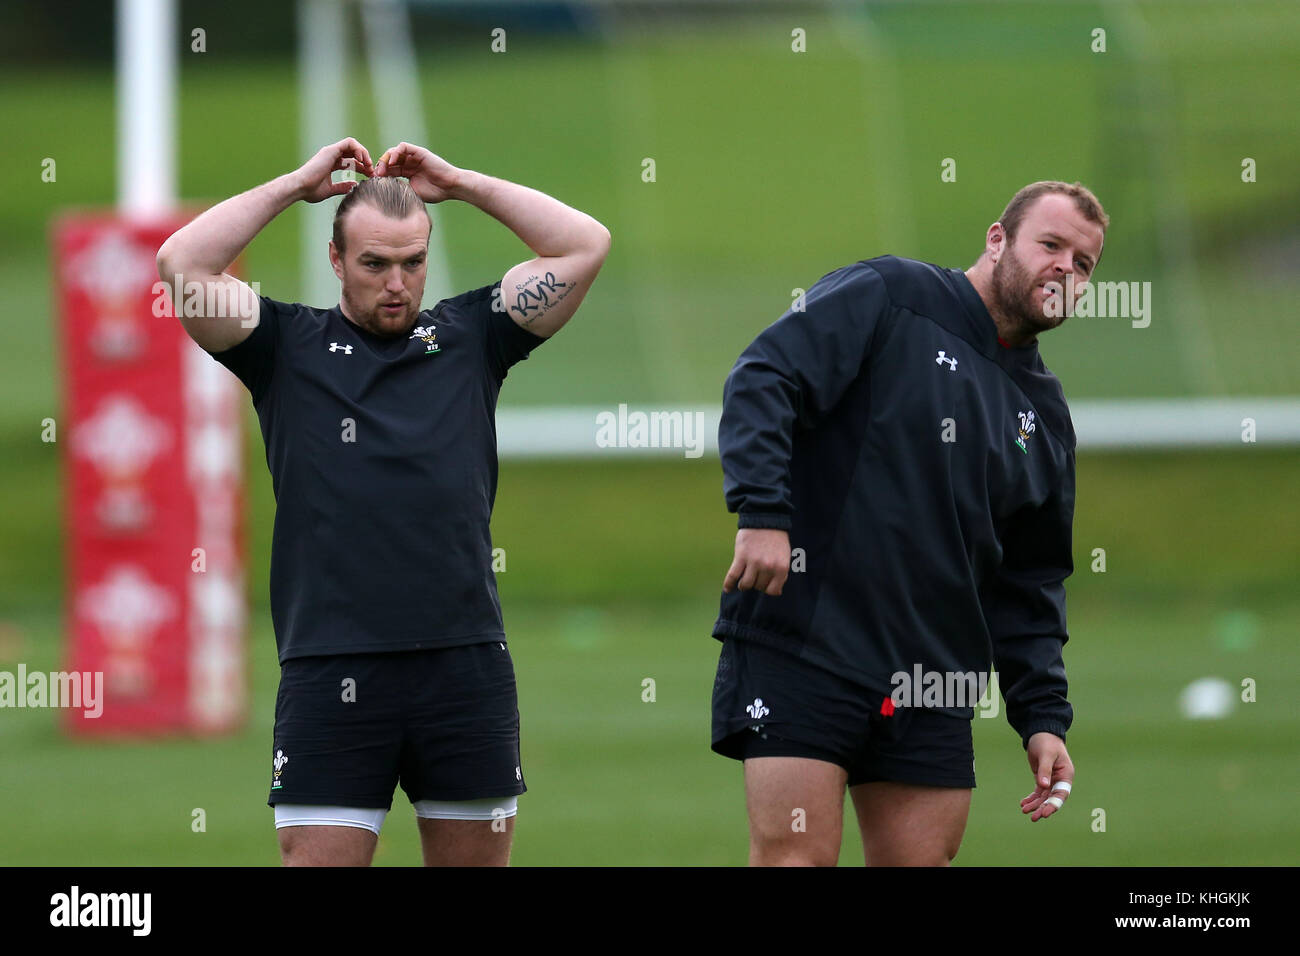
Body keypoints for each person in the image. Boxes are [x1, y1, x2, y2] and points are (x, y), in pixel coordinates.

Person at [156, 138, 611, 866]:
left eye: (413, 262)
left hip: (464, 666)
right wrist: (294, 185)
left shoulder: (472, 336)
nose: (396, 283)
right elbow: (181, 265)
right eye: (374, 263)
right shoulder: (282, 347)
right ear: (337, 261)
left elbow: (585, 245)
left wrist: (460, 183)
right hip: (331, 666)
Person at [710, 181, 1107, 866]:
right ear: (996, 239)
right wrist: (763, 513)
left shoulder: (1045, 418)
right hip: (809, 642)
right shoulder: (891, 295)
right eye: (1051, 245)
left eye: (1083, 263)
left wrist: (1041, 715)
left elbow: (1031, 581)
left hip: (934, 676)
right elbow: (765, 375)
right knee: (794, 858)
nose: (1064, 270)